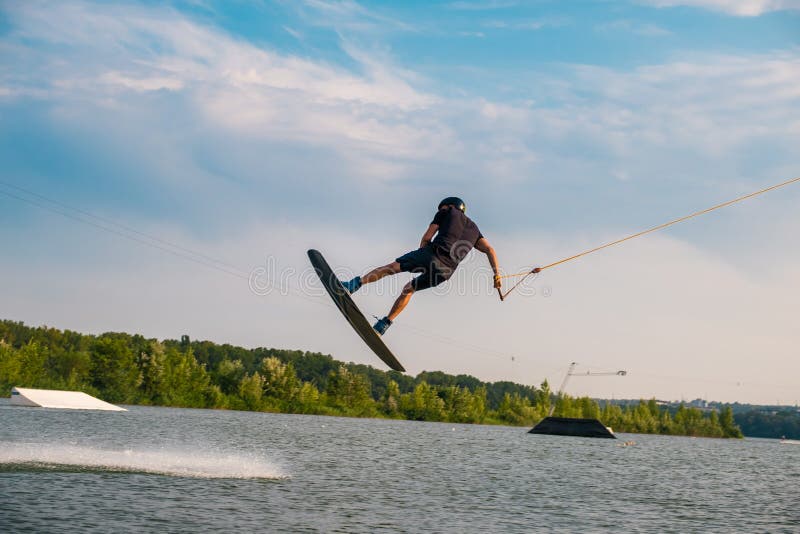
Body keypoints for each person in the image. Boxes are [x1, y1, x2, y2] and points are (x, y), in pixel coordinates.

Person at [340, 197, 502, 335]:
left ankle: (354, 285)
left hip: (432, 254)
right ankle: (384, 325)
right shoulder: (475, 230)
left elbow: (427, 237)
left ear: (451, 206)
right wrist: (497, 275)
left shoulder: (446, 212)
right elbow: (490, 249)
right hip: (446, 271)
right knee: (409, 289)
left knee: (392, 268)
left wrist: (421, 255)